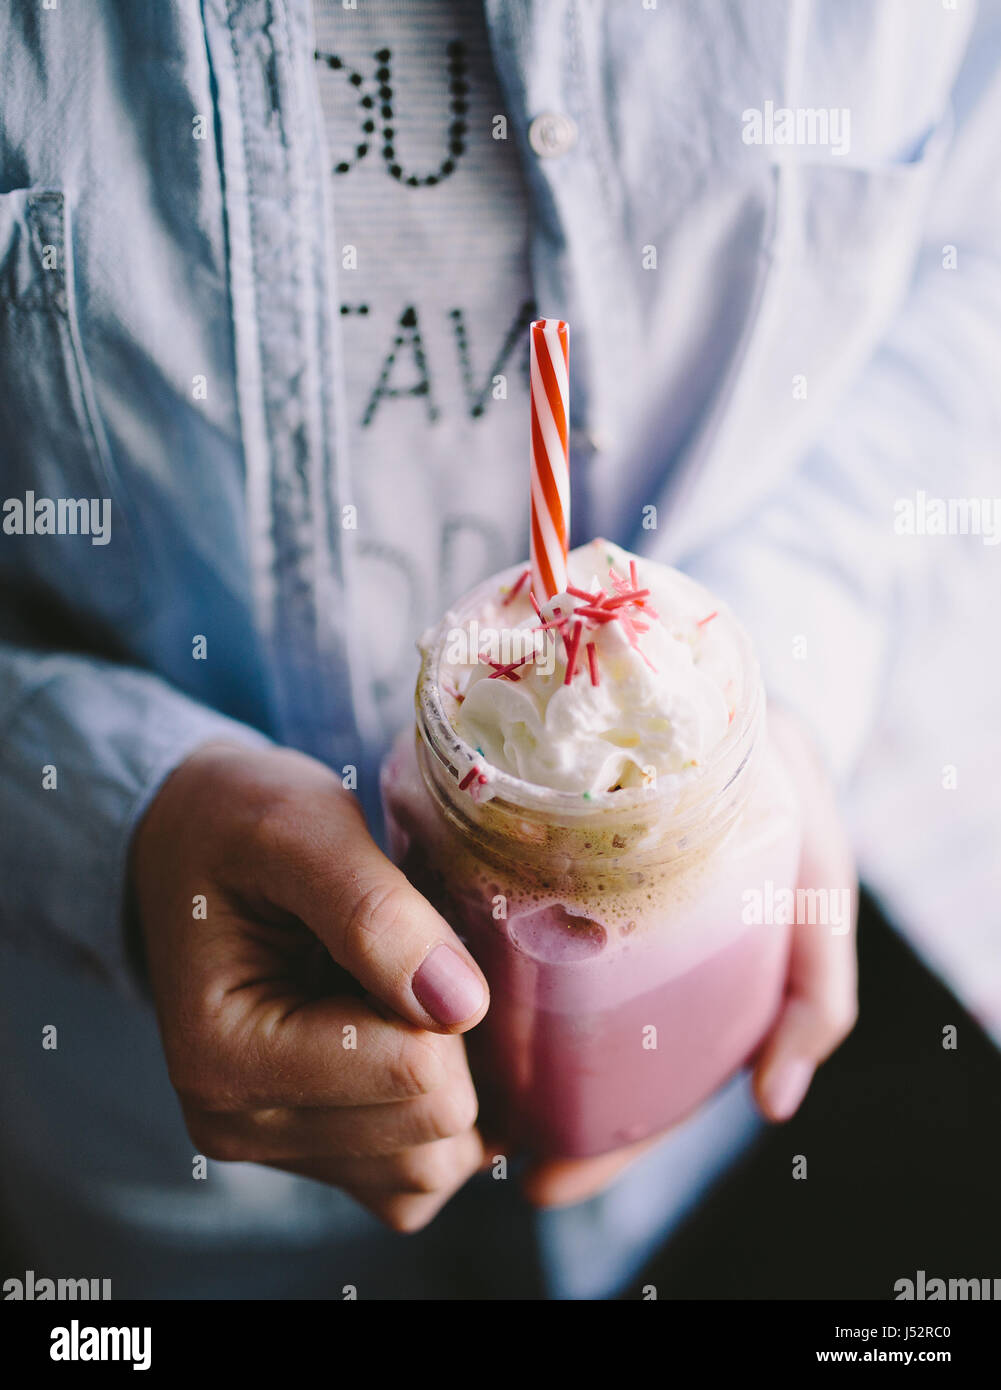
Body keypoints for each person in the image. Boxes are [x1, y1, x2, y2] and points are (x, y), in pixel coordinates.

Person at [1, 0, 998, 1300]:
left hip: (706, 1142)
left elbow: (968, 270)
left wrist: (792, 651)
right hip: (160, 1154)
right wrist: (109, 816)